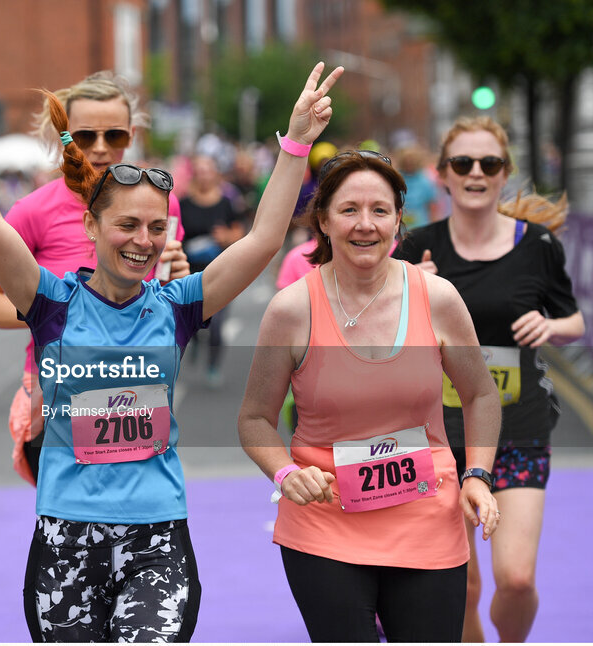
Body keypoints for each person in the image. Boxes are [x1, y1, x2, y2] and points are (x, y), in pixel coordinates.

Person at [0, 54, 341, 642]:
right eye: (127, 226)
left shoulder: (178, 305)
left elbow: (262, 241)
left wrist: (296, 144)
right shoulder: (50, 302)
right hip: (66, 533)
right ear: (91, 228)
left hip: (157, 533)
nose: (144, 241)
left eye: (157, 229)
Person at [238, 149, 503, 642]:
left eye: (380, 211)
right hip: (325, 522)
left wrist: (478, 476)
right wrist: (286, 472)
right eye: (349, 210)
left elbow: (481, 396)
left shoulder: (438, 298)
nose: (365, 225)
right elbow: (254, 418)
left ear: (399, 221)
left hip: (427, 516)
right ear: (323, 220)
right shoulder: (291, 310)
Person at [393, 117, 584, 643]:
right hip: (440, 436)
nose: (476, 172)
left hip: (519, 429)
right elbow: (376, 329)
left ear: (505, 174)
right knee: (463, 585)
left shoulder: (538, 244)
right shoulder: (417, 250)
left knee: (516, 579)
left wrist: (550, 325)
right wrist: (412, 294)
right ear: (444, 175)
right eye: (462, 163)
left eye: (489, 163)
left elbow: (575, 321)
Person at [0, 70, 189, 486]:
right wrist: (56, 313)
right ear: (63, 135)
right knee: (69, 530)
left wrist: (177, 279)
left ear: (132, 134)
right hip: (60, 389)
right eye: (86, 136)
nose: (101, 149)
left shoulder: (160, 201)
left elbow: (159, 297)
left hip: (138, 386)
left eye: (115, 136)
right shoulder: (34, 210)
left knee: (137, 522)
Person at [179, 154, 244, 387]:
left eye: (208, 170)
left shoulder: (225, 203)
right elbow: (173, 234)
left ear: (215, 174)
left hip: (221, 271)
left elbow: (239, 234)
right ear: (194, 174)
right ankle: (195, 341)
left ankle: (213, 366)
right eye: (200, 170)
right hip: (190, 272)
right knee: (193, 320)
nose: (204, 175)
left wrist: (226, 237)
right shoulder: (183, 204)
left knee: (217, 324)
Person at [394, 145, 441, 229]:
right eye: (406, 161)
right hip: (400, 227)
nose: (409, 164)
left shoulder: (425, 180)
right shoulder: (396, 179)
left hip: (422, 225)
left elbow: (432, 205)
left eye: (412, 161)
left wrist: (434, 227)